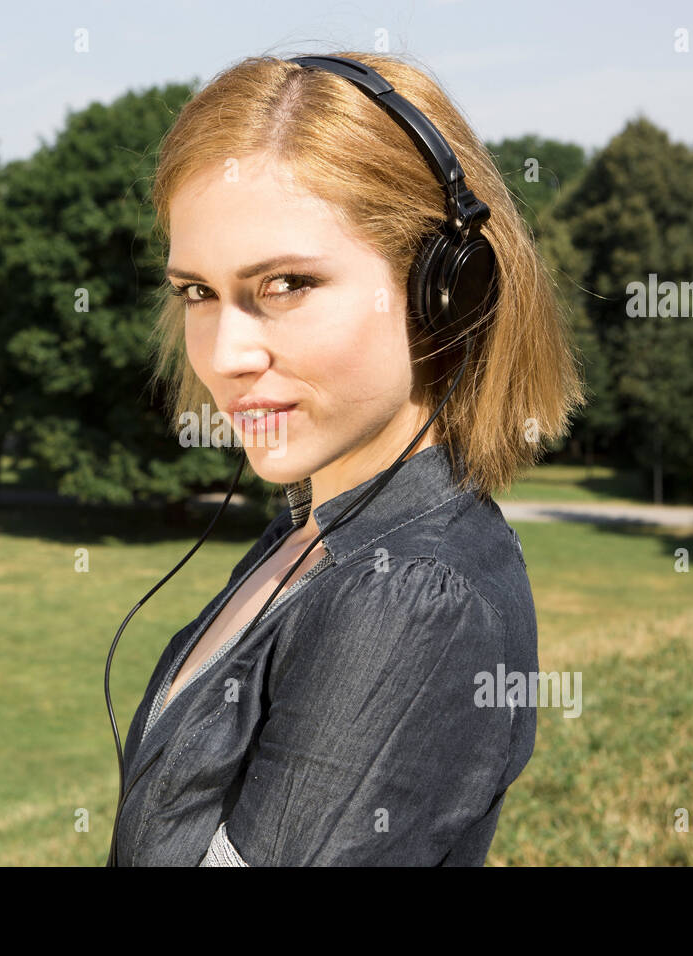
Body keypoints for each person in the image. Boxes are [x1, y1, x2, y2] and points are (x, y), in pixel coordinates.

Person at [112, 51, 584, 865]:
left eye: (288, 283)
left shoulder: (409, 600)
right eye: (197, 291)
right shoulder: (311, 532)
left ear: (445, 291)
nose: (224, 353)